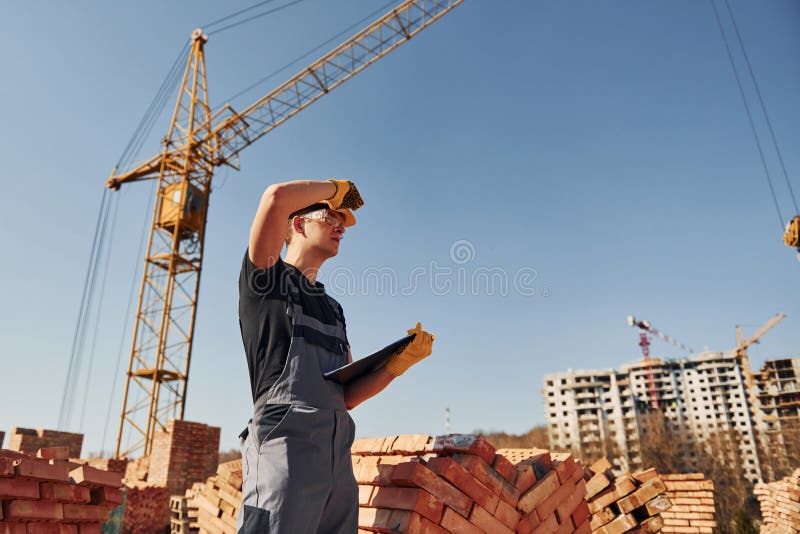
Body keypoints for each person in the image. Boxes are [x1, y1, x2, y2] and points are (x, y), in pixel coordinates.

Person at [236, 179, 435, 533]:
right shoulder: (268, 282)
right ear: (298, 224)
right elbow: (275, 198)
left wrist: (396, 364)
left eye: (341, 220)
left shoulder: (334, 310)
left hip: (336, 462)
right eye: (330, 216)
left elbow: (346, 396)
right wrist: (333, 188)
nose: (341, 225)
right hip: (285, 454)